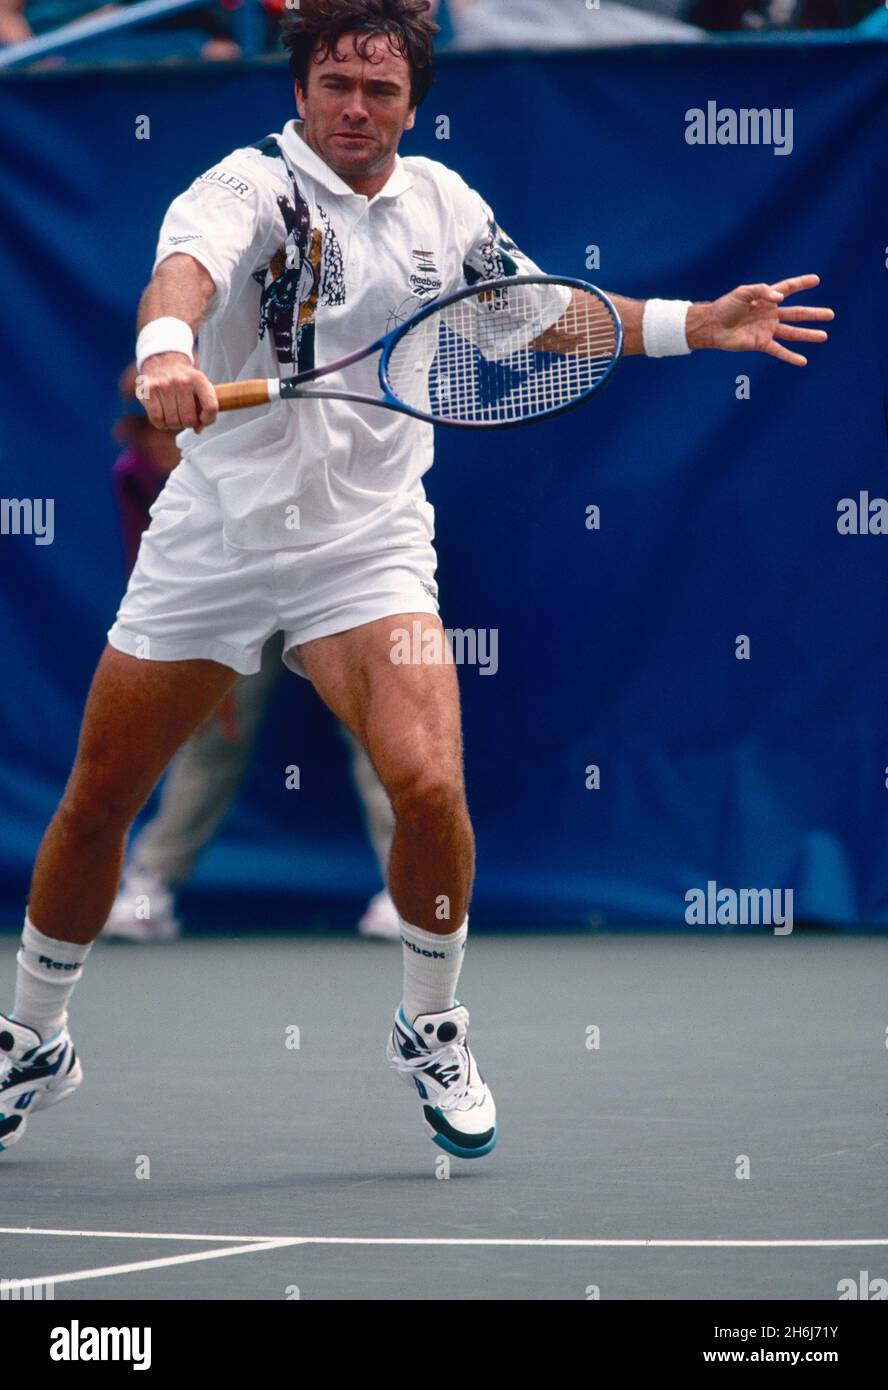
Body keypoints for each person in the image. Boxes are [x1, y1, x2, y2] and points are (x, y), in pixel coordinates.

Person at [0, 0, 833, 1161]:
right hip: (216, 539)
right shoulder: (241, 187)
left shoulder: (450, 208)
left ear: (413, 103)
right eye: (336, 83)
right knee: (98, 801)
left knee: (431, 784)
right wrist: (168, 351)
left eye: (379, 90)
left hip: (369, 547)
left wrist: (698, 324)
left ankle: (432, 1022)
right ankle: (35, 1031)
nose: (354, 107)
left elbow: (542, 321)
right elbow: (181, 277)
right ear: (300, 90)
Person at [105, 366, 400, 943]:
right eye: (151, 425)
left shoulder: (274, 416)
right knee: (209, 737)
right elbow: (145, 565)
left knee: (378, 730)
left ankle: (407, 888)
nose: (161, 440)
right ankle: (151, 886)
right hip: (228, 582)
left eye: (170, 423)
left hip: (331, 561)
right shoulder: (136, 471)